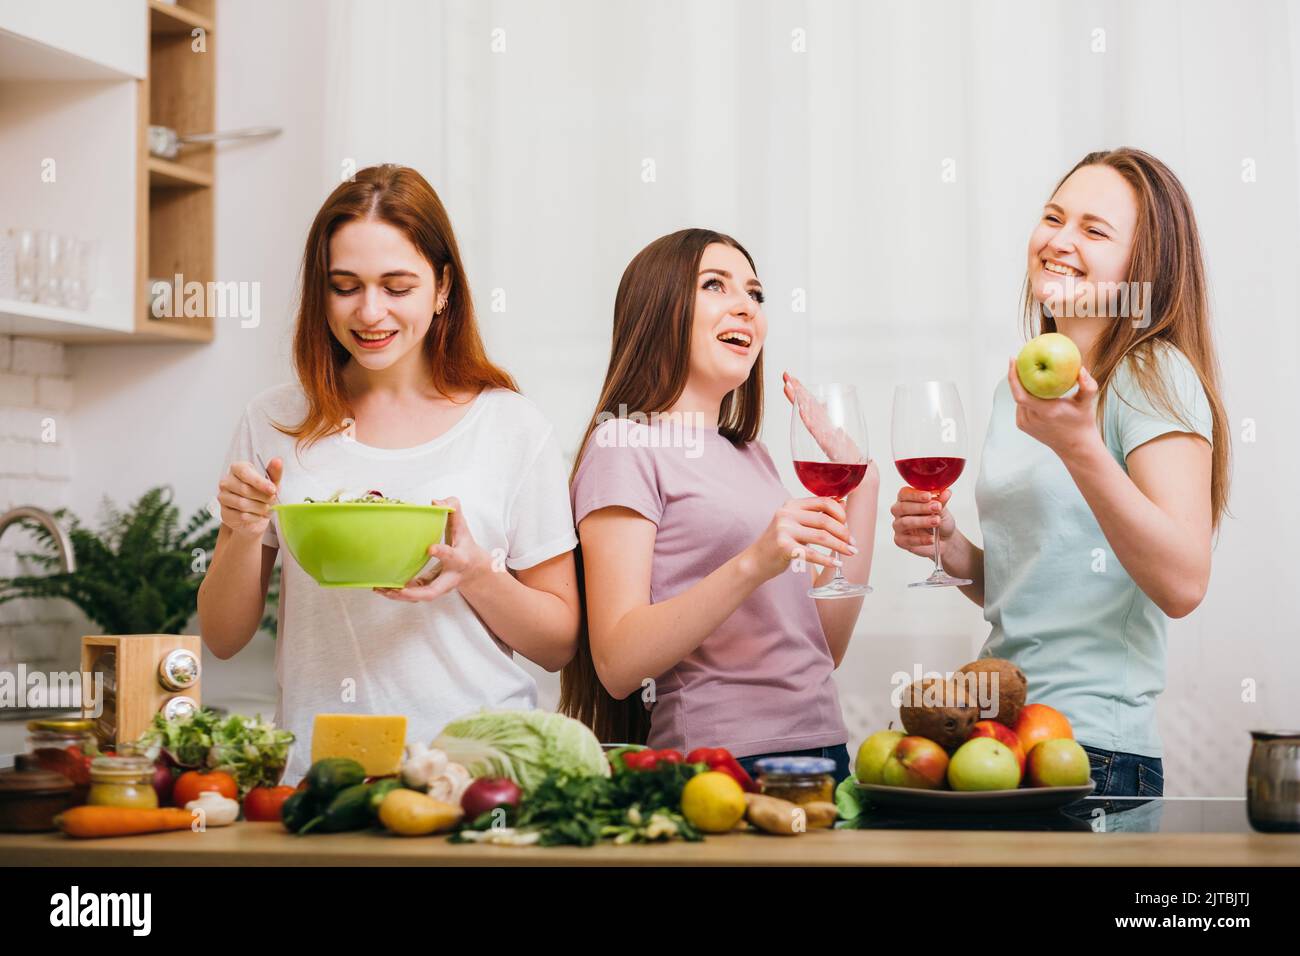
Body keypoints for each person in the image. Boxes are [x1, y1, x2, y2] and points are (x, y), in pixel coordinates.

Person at [198, 164, 580, 783]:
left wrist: (477, 574)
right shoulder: (274, 421)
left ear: (443, 287)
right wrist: (241, 532)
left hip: (472, 779)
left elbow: (558, 643)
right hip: (319, 776)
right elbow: (222, 636)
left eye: (397, 286)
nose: (369, 311)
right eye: (344, 285)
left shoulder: (511, 426)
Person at [890, 149, 1230, 797]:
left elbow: (1184, 582)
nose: (1059, 241)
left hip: (1093, 753)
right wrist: (952, 548)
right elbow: (1033, 586)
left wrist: (1079, 447)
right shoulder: (1016, 387)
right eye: (1053, 217)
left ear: (1144, 266)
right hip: (999, 737)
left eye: (1094, 231)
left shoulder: (1150, 374)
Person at [561, 228, 880, 785]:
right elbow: (616, 662)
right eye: (716, 285)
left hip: (824, 749)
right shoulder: (623, 446)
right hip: (719, 763)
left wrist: (864, 488)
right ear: (659, 310)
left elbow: (824, 646)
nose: (746, 307)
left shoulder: (752, 457)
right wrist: (754, 563)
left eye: (755, 295)